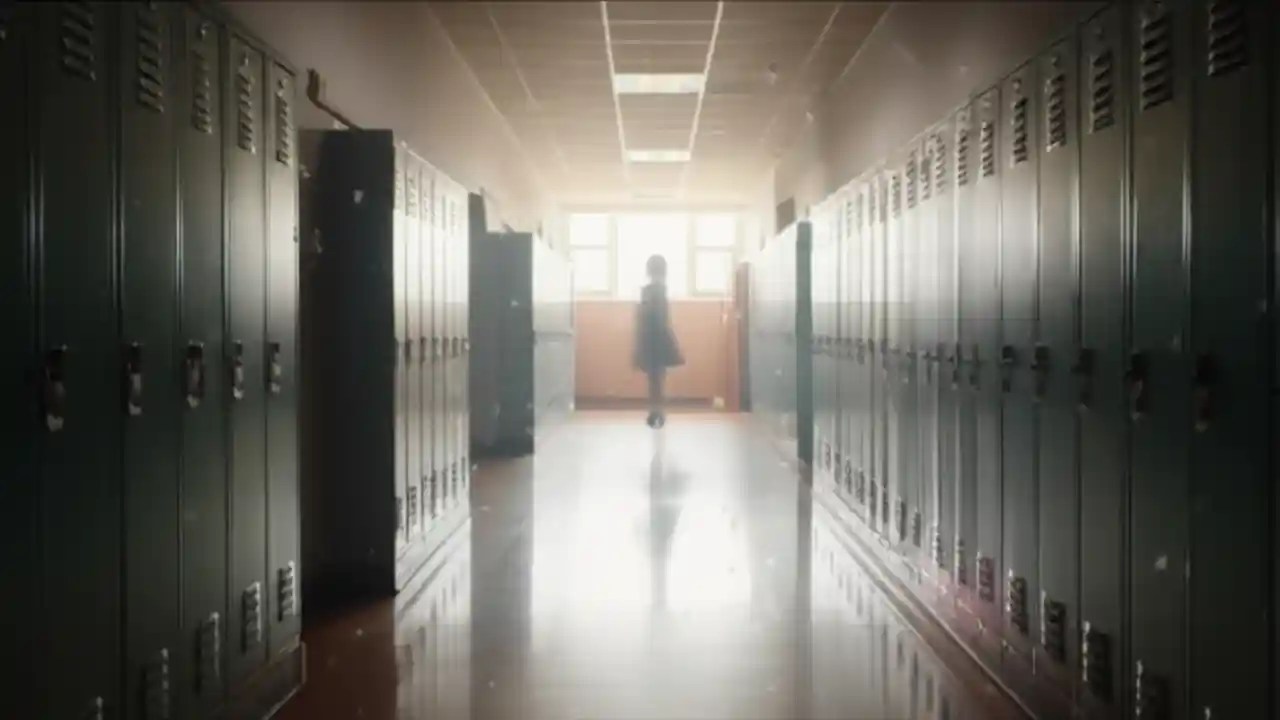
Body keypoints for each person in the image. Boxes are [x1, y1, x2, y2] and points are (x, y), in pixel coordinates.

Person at [633, 254, 684, 428]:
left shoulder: (646, 291)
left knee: (653, 380)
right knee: (658, 379)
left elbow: (642, 318)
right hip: (659, 339)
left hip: (649, 339)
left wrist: (639, 345)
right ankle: (658, 412)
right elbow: (663, 319)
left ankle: (655, 412)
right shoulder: (662, 291)